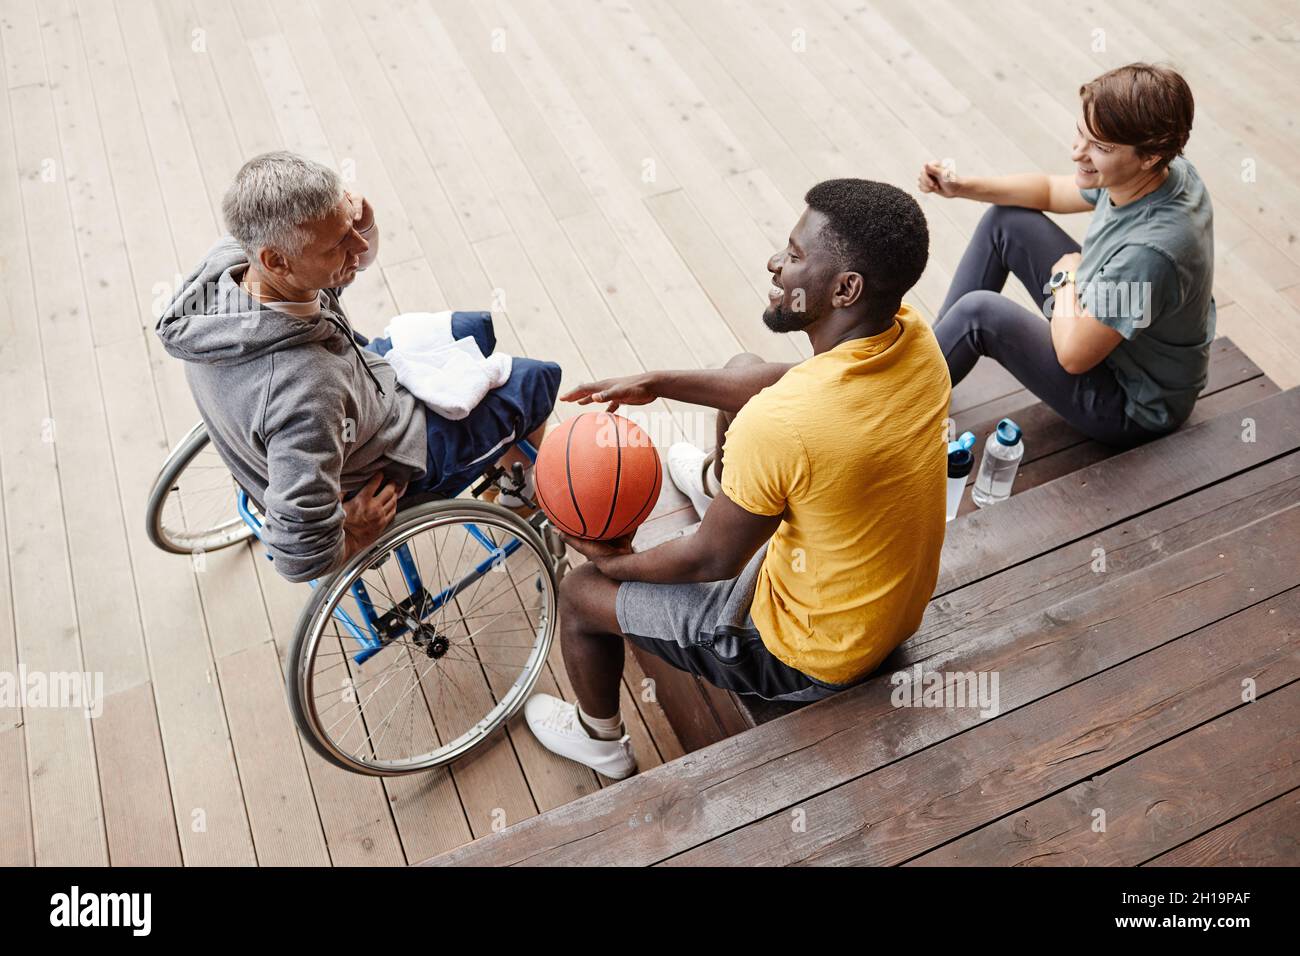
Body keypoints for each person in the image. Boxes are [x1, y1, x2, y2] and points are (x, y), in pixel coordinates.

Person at [522, 179, 951, 781]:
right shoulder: (914, 340)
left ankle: (600, 740)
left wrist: (608, 562)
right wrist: (660, 381)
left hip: (810, 652)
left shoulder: (786, 426)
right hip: (881, 601)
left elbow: (708, 561)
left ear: (846, 288)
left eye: (796, 256)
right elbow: (786, 387)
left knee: (579, 594)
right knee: (743, 371)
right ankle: (729, 492)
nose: (775, 263)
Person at [156, 151, 561, 583]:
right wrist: (355, 531)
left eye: (350, 226)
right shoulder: (307, 391)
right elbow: (300, 561)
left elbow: (343, 268)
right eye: (338, 244)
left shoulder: (228, 268)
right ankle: (519, 494)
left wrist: (356, 225)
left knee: (475, 327)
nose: (361, 246)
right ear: (276, 260)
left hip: (358, 391)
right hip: (389, 455)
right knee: (534, 381)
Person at [921, 63, 1214, 448]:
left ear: (1151, 155)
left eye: (1100, 147)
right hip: (1108, 325)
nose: (1077, 152)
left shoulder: (1150, 253)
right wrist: (961, 187)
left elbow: (1073, 355)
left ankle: (897, 398)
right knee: (1005, 221)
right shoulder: (1160, 170)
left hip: (1131, 404)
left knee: (980, 314)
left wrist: (1066, 280)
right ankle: (933, 360)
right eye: (1081, 132)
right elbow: (1050, 190)